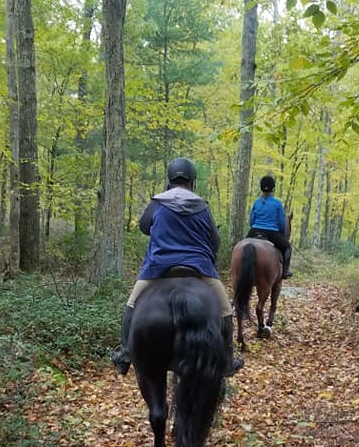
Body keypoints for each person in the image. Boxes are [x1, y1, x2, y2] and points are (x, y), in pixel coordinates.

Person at [111, 157, 244, 377]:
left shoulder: (158, 202)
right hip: (198, 267)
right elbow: (216, 242)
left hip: (159, 266)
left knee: (132, 304)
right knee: (224, 310)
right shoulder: (201, 204)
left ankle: (125, 355)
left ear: (169, 178)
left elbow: (144, 227)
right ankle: (228, 360)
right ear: (193, 180)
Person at [247, 175, 292, 279]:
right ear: (273, 188)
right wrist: (281, 234)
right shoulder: (277, 203)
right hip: (271, 233)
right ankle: (285, 271)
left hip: (254, 231)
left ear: (261, 188)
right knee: (287, 247)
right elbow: (281, 223)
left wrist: (255, 227)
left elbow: (251, 221)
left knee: (241, 245)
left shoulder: (256, 202)